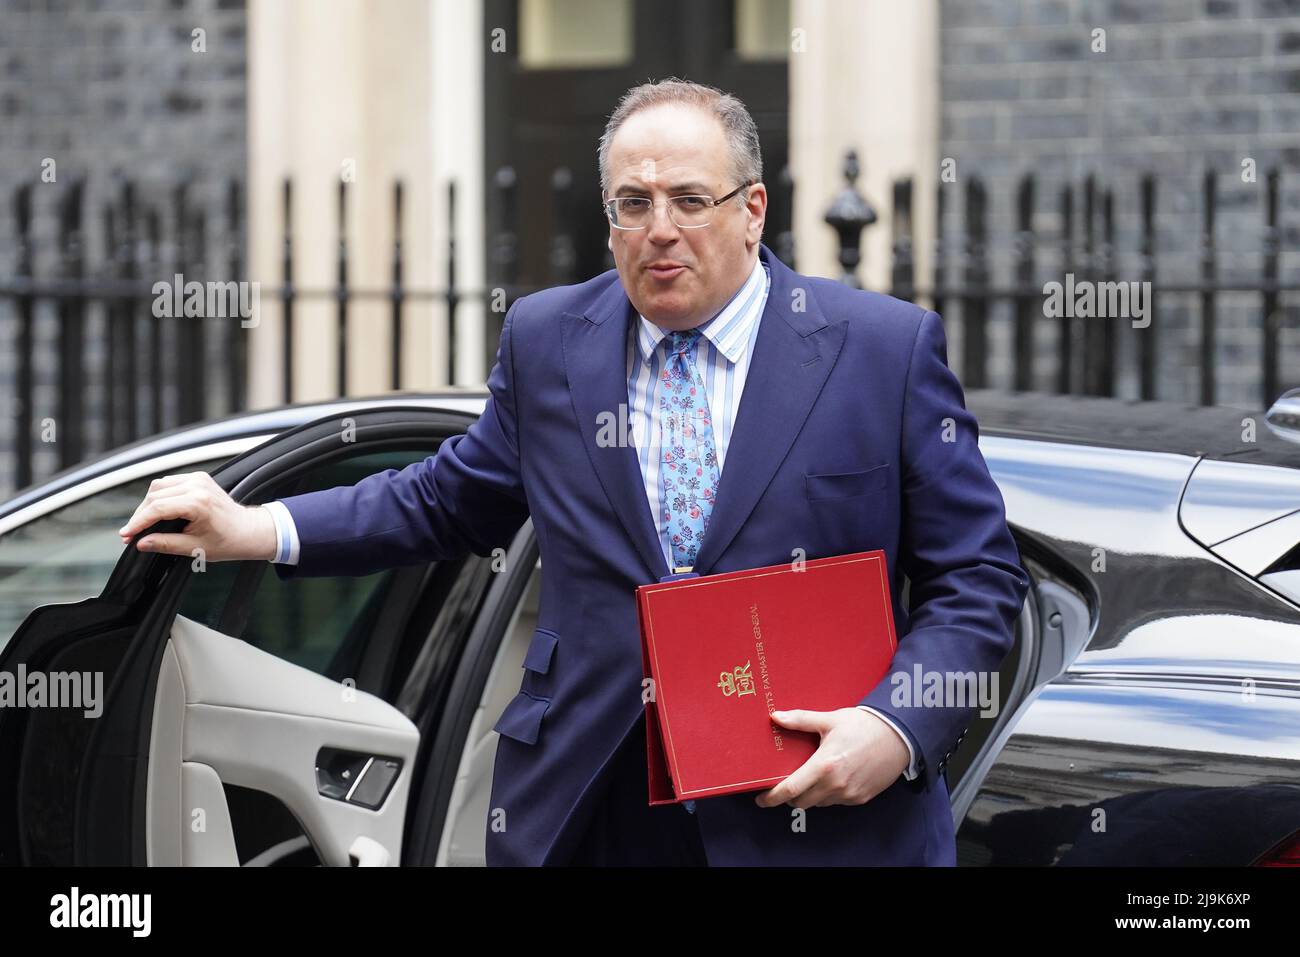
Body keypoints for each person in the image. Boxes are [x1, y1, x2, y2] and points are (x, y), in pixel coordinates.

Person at [119, 78, 1029, 866]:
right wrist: (255, 527)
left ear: (752, 210)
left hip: (812, 810)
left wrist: (896, 726)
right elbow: (445, 501)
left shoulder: (881, 350)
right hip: (592, 805)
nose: (659, 231)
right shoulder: (551, 338)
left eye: (689, 200)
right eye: (632, 204)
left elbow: (979, 579)